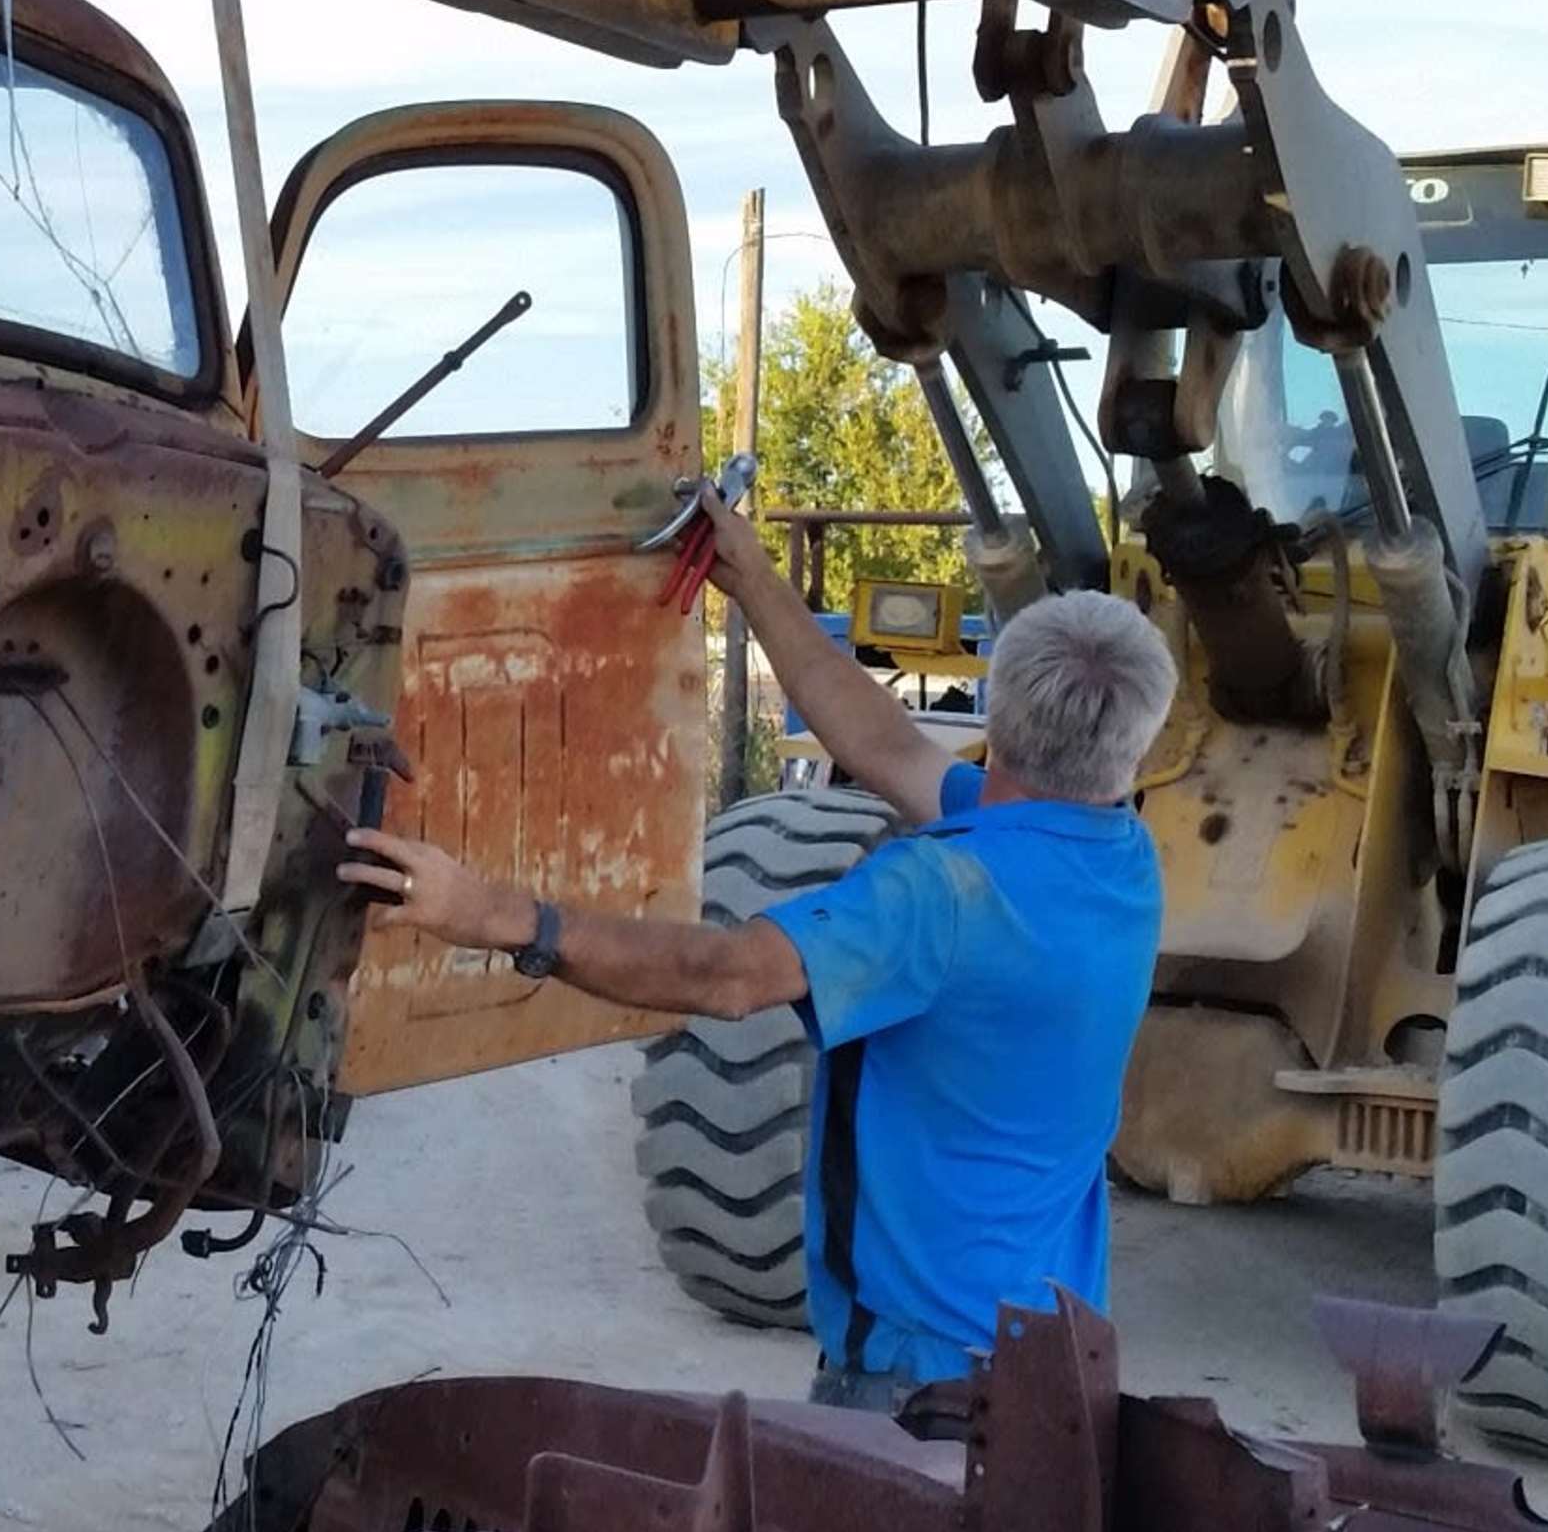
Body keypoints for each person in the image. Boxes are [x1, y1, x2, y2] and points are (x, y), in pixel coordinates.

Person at [340, 493, 1178, 1411]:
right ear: (1132, 746)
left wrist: (497, 915)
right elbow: (885, 742)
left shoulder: (938, 895)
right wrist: (751, 579)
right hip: (1054, 1366)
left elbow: (730, 976)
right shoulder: (1122, 862)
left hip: (926, 1391)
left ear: (999, 715)